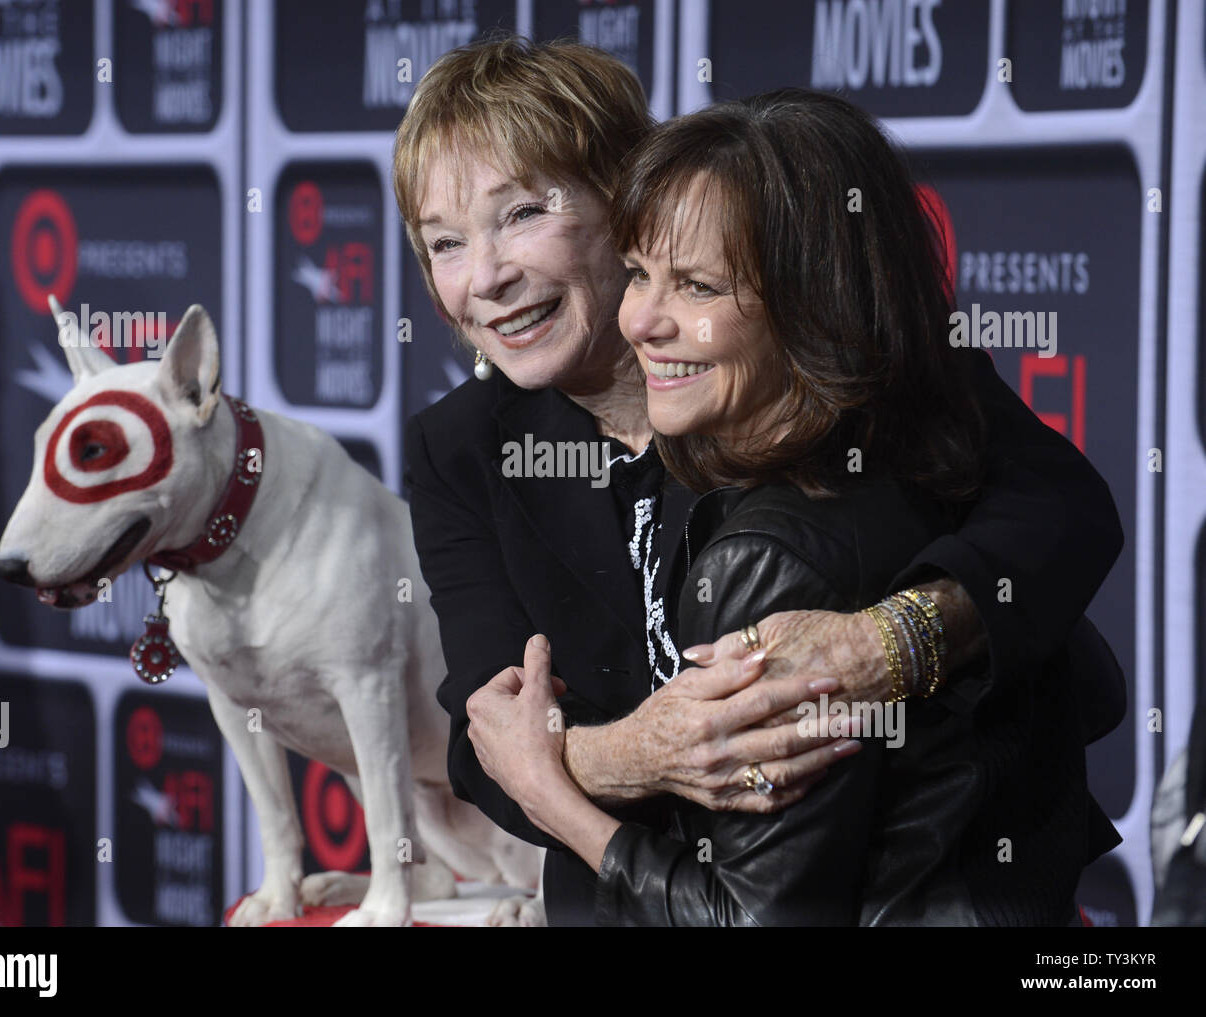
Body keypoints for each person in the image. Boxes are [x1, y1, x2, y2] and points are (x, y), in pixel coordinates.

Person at [395, 36, 1123, 925]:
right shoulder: (457, 445)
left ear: (628, 194)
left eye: (520, 215)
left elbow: (1064, 511)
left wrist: (893, 642)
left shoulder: (810, 343)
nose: (487, 277)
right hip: (645, 898)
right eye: (444, 242)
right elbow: (492, 737)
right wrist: (642, 754)